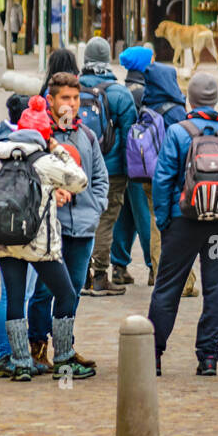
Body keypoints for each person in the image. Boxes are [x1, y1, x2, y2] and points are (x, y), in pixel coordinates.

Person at [149, 72, 218, 377]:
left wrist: (164, 219)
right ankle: (208, 356)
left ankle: (153, 355)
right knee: (215, 288)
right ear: (215, 101)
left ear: (190, 99)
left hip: (182, 222)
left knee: (168, 287)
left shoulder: (177, 132)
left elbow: (161, 180)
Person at [0, 95, 89, 381]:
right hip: (40, 246)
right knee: (64, 294)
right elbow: (80, 181)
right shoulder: (45, 161)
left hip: (5, 242)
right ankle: (64, 358)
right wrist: (60, 150)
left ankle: (21, 362)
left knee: (15, 299)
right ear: (43, 134)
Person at [26, 72, 108, 377]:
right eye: (65, 98)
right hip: (51, 227)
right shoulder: (39, 135)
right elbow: (28, 177)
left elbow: (100, 176)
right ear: (51, 100)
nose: (71, 104)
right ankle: (37, 347)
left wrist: (95, 207)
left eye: (75, 98)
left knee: (73, 289)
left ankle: (65, 349)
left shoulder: (86, 135)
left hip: (83, 227)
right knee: (45, 290)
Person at [111, 47, 199, 296]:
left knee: (137, 219)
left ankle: (127, 266)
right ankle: (164, 274)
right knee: (163, 224)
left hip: (140, 170)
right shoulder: (173, 109)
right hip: (166, 176)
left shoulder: (143, 99)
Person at [79, 36, 138, 297]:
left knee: (78, 218)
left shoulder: (72, 87)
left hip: (76, 164)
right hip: (111, 169)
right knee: (105, 219)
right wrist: (128, 170)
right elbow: (130, 135)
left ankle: (80, 274)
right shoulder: (119, 93)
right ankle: (100, 275)